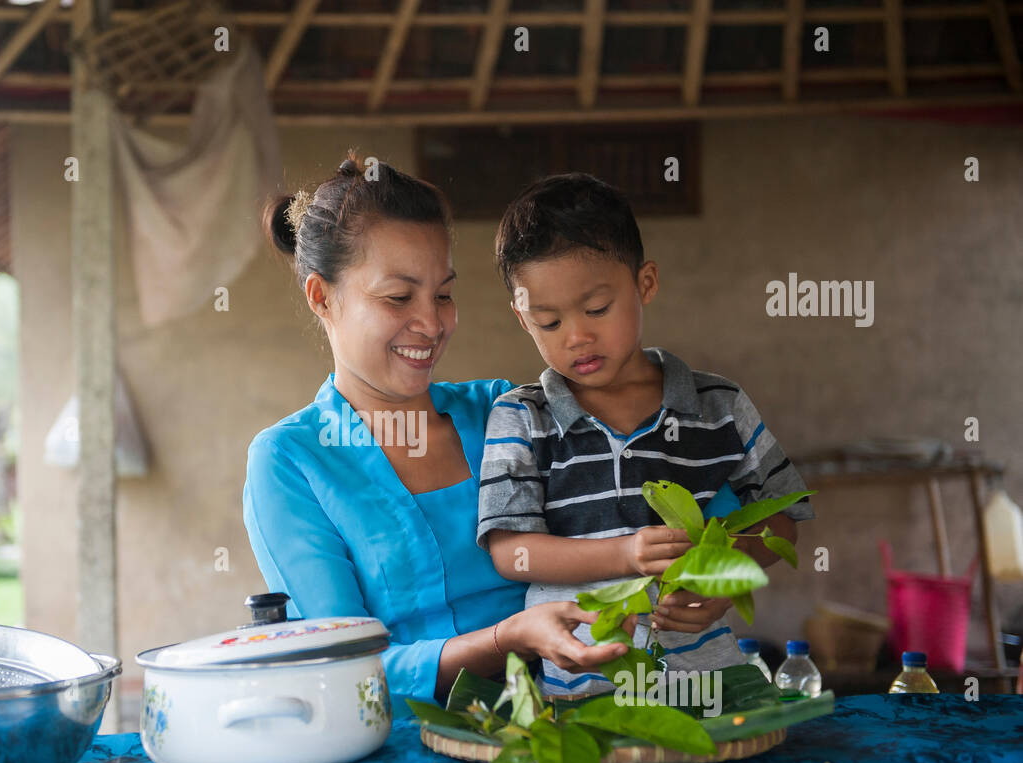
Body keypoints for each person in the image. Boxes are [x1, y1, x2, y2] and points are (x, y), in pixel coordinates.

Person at [242, 155, 712, 708]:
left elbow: (672, 492)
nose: (432, 322)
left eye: (443, 293)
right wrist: (509, 638)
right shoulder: (290, 461)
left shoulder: (502, 411)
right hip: (404, 759)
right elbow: (345, 666)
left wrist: (710, 584)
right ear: (322, 296)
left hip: (573, 720)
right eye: (398, 297)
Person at [478, 172, 815, 697]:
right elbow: (511, 551)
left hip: (703, 686)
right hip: (579, 693)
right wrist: (626, 555)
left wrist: (725, 579)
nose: (577, 336)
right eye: (548, 321)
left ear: (646, 283)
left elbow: (783, 521)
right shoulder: (522, 417)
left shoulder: (717, 406)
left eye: (597, 309)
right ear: (522, 318)